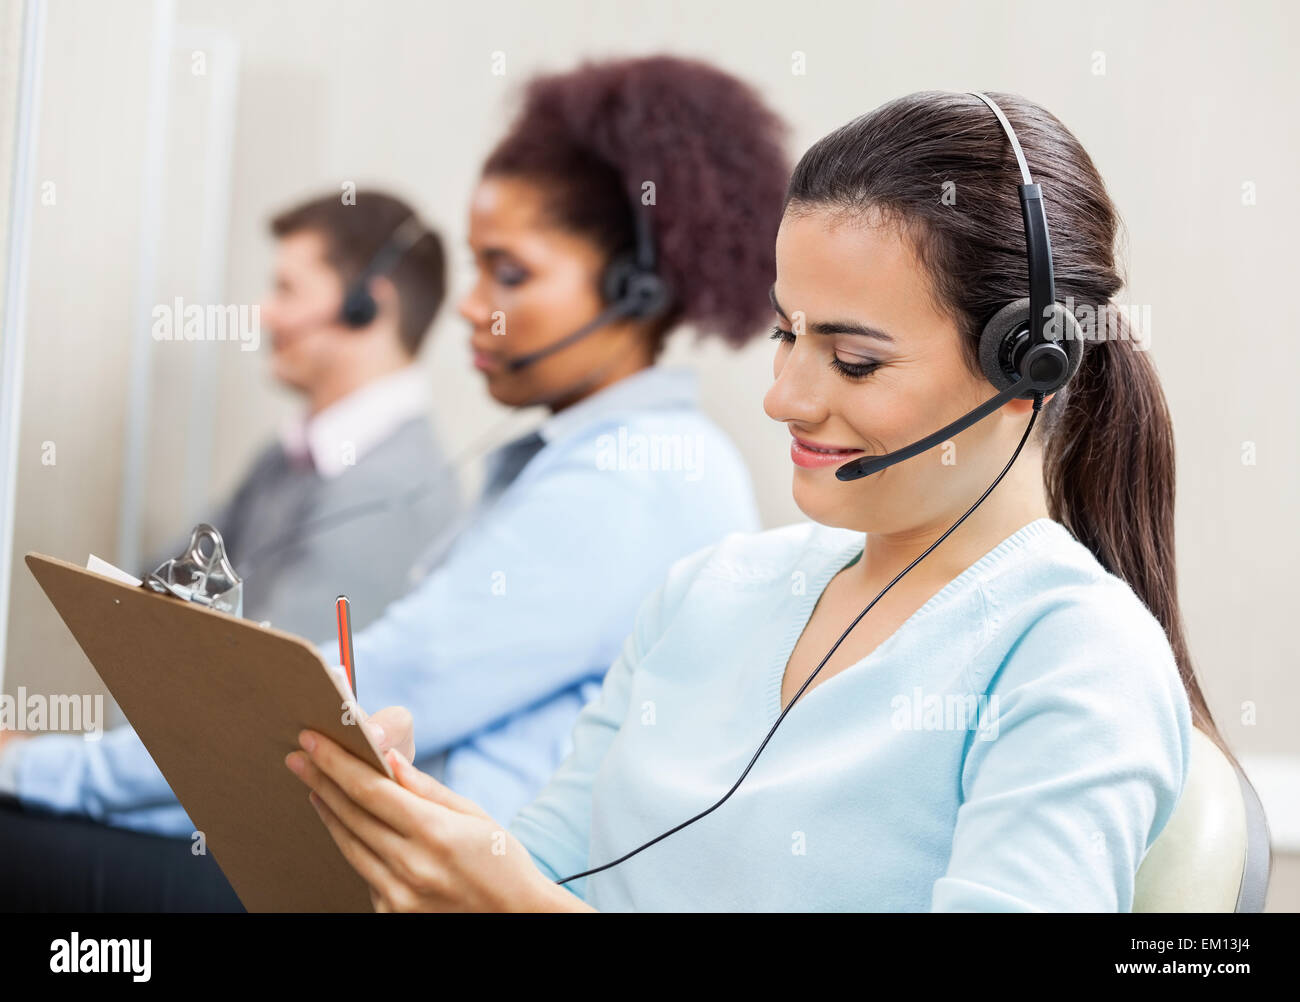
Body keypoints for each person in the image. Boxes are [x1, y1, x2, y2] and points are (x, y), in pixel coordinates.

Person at [286, 90, 1228, 913]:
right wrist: (406, 833)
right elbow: (545, 869)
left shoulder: (1074, 656)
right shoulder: (706, 592)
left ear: (1027, 364)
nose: (785, 397)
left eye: (855, 360)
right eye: (786, 334)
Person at [0, 55, 791, 910]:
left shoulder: (640, 477)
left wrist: (38, 765)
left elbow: (382, 687)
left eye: (510, 272)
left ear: (635, 289)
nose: (467, 303)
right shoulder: (578, 459)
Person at [0, 189, 459, 908]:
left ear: (370, 304)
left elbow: (252, 735)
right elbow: (149, 597)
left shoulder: (391, 498)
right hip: (187, 804)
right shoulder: (296, 459)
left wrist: (35, 763)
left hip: (258, 863)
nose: (266, 315)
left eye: (287, 289)